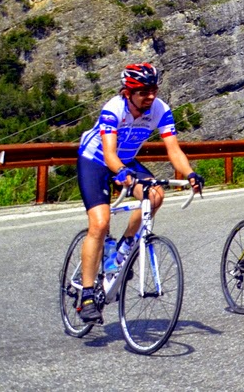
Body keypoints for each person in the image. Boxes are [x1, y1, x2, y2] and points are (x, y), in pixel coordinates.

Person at [74, 63, 203, 325]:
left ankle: (123, 247)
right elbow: (109, 154)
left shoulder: (160, 109)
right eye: (144, 91)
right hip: (96, 160)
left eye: (154, 89)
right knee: (100, 223)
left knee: (155, 195)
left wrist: (189, 173)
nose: (151, 96)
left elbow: (173, 150)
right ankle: (87, 295)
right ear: (128, 92)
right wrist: (120, 173)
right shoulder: (114, 109)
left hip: (126, 160)